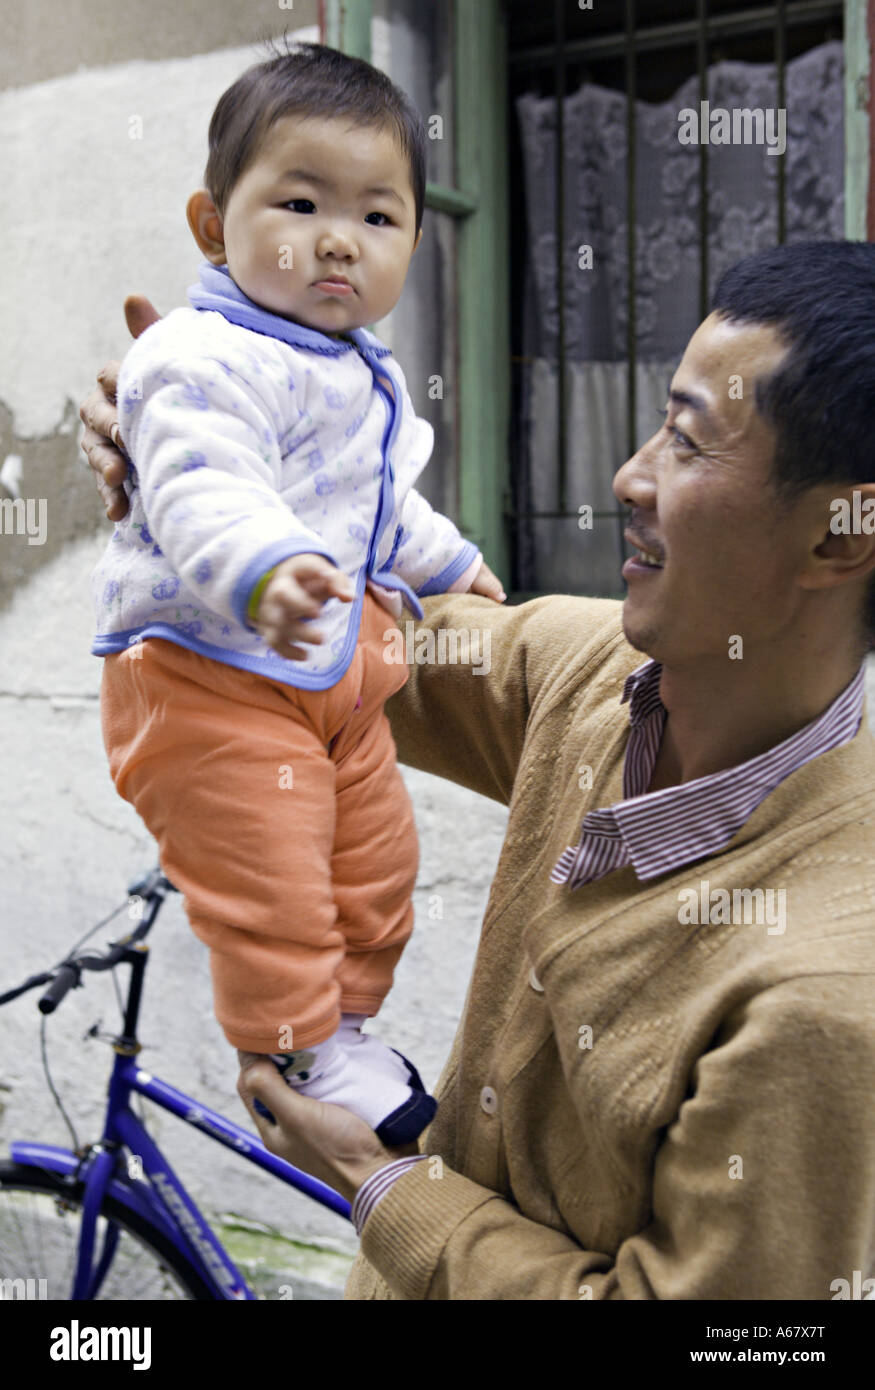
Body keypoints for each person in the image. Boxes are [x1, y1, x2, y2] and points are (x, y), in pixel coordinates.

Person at [82, 239, 875, 1300]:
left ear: (839, 534)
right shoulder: (589, 672)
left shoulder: (822, 997)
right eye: (653, 423)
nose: (627, 476)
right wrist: (207, 479)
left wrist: (379, 1180)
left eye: (687, 443)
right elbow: (329, 644)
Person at [89, 39, 504, 1151]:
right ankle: (296, 1040)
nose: (339, 238)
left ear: (413, 241)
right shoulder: (197, 353)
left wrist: (450, 564)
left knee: (378, 866)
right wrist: (266, 572)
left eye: (378, 217)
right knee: (272, 894)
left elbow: (376, 510)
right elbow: (202, 484)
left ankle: (345, 1028)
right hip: (205, 679)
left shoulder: (351, 371)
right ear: (214, 224)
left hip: (326, 689)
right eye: (302, 200)